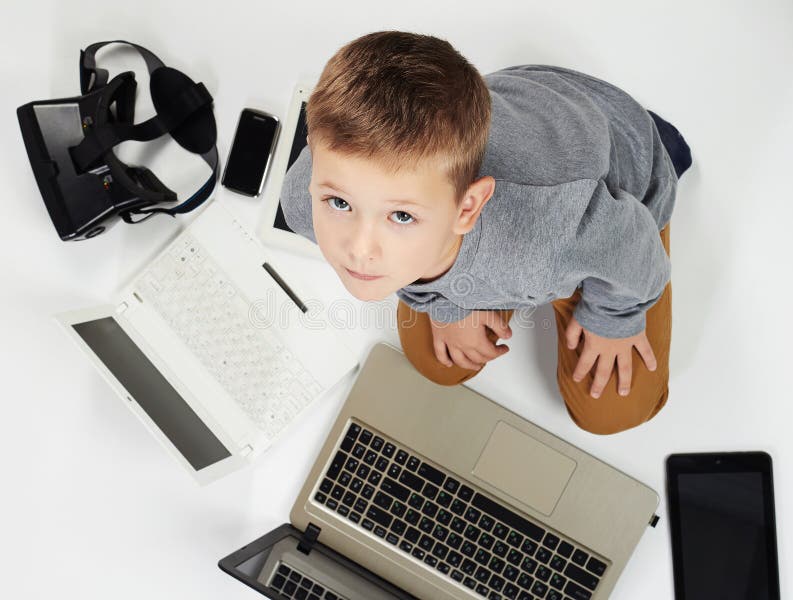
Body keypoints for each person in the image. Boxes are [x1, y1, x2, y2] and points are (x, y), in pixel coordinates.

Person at [278, 30, 693, 435]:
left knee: (613, 410)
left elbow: (635, 247)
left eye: (401, 216)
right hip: (511, 143)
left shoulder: (540, 241)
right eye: (340, 203)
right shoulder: (304, 199)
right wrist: (452, 304)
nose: (360, 249)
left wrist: (612, 318)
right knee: (436, 362)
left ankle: (658, 143)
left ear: (468, 208)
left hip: (613, 182)